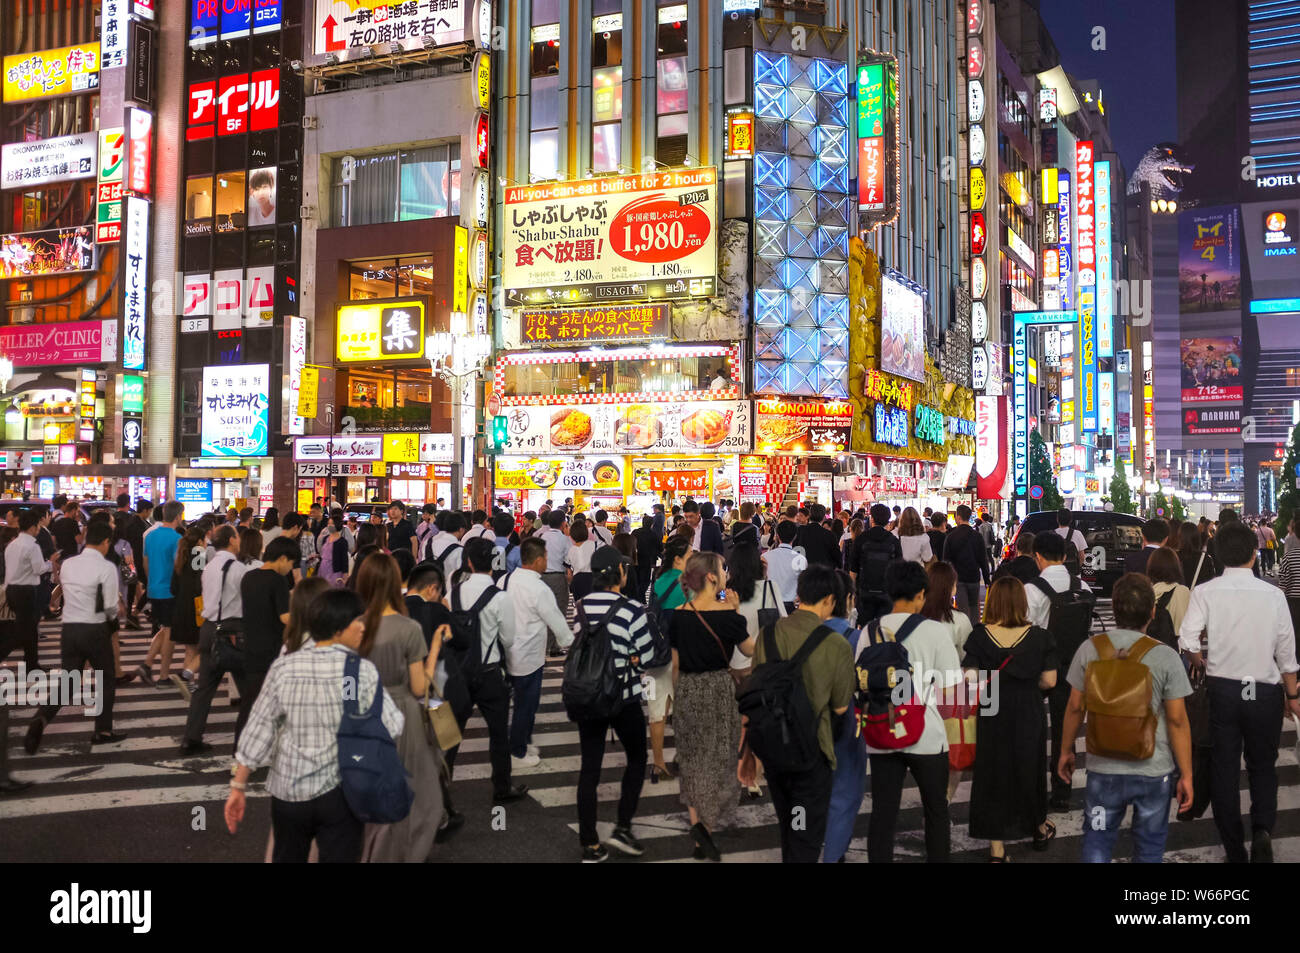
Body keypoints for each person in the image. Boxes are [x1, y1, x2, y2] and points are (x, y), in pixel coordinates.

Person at [225, 589, 405, 863]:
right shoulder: (359, 671)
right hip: (341, 793)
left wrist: (238, 785)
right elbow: (393, 725)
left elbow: (258, 729)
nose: (363, 628)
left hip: (289, 792)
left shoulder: (284, 667)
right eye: (358, 621)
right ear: (338, 628)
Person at [1178, 522, 1300, 863]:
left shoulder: (1206, 592)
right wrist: (1292, 697)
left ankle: (1234, 845)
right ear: (1253, 553)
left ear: (1218, 555)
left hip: (1224, 690)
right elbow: (1287, 655)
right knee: (1263, 765)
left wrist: (1198, 660)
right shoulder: (1274, 595)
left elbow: (1187, 639)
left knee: (1224, 767)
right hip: (1263, 691)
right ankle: (1262, 829)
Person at [1061, 573, 1194, 863]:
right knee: (1149, 848)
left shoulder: (1089, 650)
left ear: (1116, 609)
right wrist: (1186, 774)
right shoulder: (1165, 656)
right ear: (1153, 612)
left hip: (1102, 771)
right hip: (1153, 772)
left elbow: (1074, 707)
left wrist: (1065, 751)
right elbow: (1177, 721)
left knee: (1097, 840)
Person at [750, 565, 856, 863]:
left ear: (799, 595)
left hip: (774, 749)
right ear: (831, 601)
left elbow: (757, 690)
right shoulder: (836, 645)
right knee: (806, 835)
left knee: (789, 822)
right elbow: (840, 707)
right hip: (812, 752)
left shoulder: (768, 635)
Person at [863, 561, 962, 863]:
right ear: (921, 594)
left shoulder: (869, 631)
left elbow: (861, 683)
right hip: (927, 735)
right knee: (936, 811)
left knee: (883, 814)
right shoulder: (934, 630)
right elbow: (951, 687)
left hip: (882, 732)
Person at [353, 554, 446, 863]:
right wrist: (434, 648)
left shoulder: (355, 628)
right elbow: (420, 688)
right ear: (398, 583)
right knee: (420, 798)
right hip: (403, 715)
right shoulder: (408, 628)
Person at [963, 577, 1058, 861]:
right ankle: (1038, 828)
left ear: (992, 602)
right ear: (1022, 602)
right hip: (1028, 708)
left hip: (992, 710)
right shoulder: (1041, 637)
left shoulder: (979, 636)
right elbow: (1050, 681)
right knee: (1030, 767)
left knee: (992, 773)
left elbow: (969, 677)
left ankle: (996, 848)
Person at [668, 552, 754, 860]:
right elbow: (751, 651)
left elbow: (675, 666)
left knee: (692, 760)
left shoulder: (678, 614)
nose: (726, 573)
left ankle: (698, 832)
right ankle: (704, 830)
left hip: (689, 689)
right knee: (719, 758)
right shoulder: (728, 615)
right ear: (711, 577)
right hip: (719, 689)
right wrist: (735, 611)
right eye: (722, 569)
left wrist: (676, 701)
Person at [573, 545, 656, 862]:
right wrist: (631, 659)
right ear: (619, 573)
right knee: (636, 758)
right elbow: (645, 657)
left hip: (589, 697)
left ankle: (590, 842)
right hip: (624, 697)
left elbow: (578, 645)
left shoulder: (581, 606)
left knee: (589, 768)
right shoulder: (633, 609)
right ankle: (623, 826)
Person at [23, 521, 124, 752]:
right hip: (95, 629)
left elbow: (64, 589)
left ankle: (42, 717)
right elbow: (109, 606)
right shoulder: (106, 568)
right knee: (106, 678)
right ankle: (102, 730)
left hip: (69, 629)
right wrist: (116, 611)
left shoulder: (68, 564)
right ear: (107, 542)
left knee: (69, 681)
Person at [448, 537, 526, 802]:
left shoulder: (453, 592)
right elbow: (509, 639)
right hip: (489, 673)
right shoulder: (499, 596)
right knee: (498, 734)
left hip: (457, 674)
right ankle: (501, 788)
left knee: (451, 735)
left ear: (467, 562)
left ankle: (441, 789)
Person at [1025, 530, 1092, 811]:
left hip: (1039, 666)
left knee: (1033, 729)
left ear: (1037, 557)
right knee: (1067, 730)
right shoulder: (1083, 587)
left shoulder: (1031, 590)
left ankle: (1032, 789)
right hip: (1073, 666)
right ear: (1065, 556)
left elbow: (1024, 629)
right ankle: (1062, 792)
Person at [500, 537, 573, 767]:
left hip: (503, 653)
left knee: (511, 705)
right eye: (546, 558)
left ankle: (521, 741)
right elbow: (557, 622)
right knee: (526, 706)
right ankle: (518, 752)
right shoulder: (539, 588)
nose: (547, 562)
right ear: (539, 560)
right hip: (528, 657)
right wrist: (572, 644)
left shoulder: (504, 579)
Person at [180, 525, 251, 755]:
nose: (239, 541)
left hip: (209, 629)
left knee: (204, 689)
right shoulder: (239, 568)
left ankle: (191, 737)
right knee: (249, 690)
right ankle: (245, 745)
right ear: (231, 540)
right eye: (237, 537)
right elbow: (247, 598)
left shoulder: (209, 567)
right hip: (233, 631)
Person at [235, 536, 299, 747]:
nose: (290, 569)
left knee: (250, 703)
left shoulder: (249, 577)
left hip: (251, 646)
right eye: (290, 563)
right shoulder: (277, 580)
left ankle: (240, 750)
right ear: (282, 558)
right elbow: (285, 618)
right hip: (272, 650)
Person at [647, 534, 691, 781]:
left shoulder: (658, 579)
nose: (692, 558)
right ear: (678, 559)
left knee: (657, 711)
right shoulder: (688, 583)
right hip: (680, 654)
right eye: (689, 555)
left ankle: (658, 763)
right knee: (685, 709)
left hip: (655, 652)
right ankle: (684, 759)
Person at [728, 541, 788, 687]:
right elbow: (784, 621)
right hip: (760, 663)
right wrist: (764, 578)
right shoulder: (769, 587)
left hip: (730, 665)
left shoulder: (727, 592)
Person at [136, 501, 184, 687]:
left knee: (164, 628)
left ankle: (147, 665)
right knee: (170, 633)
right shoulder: (176, 539)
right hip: (169, 591)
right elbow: (178, 566)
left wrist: (151, 582)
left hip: (154, 588)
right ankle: (163, 676)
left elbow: (145, 563)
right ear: (178, 515)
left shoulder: (150, 536)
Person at [6, 509, 58, 672]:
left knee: (28, 630)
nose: (38, 530)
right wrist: (51, 562)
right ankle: (31, 664)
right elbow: (39, 569)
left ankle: (31, 663)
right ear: (33, 527)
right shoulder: (32, 546)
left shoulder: (12, 544)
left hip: (12, 590)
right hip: (26, 591)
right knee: (23, 631)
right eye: (37, 526)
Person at [943, 505, 989, 625]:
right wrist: (987, 579)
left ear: (958, 517)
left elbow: (946, 560)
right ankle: (974, 635)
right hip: (974, 578)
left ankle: (965, 636)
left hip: (959, 578)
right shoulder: (977, 536)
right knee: (974, 608)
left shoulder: (951, 536)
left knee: (963, 611)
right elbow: (983, 559)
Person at [922, 561, 973, 655]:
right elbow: (967, 657)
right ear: (952, 589)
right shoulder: (960, 620)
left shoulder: (917, 617)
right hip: (953, 669)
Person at [1146, 547, 1190, 649]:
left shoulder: (1146, 592)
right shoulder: (1182, 591)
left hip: (1150, 649)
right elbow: (1185, 627)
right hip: (1175, 649)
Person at [536, 508, 572, 621]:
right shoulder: (565, 540)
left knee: (543, 611)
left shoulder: (541, 536)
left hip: (541, 577)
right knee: (559, 611)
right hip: (559, 578)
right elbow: (569, 560)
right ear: (563, 523)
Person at [763, 520, 805, 615]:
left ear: (777, 535)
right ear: (795, 536)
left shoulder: (765, 557)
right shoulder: (801, 559)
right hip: (793, 607)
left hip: (770, 607)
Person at [795, 503, 841, 568]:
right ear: (823, 517)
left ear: (810, 515)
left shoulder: (800, 531)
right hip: (823, 572)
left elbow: (795, 550)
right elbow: (837, 557)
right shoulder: (829, 535)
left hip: (804, 571)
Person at [565, 519, 597, 603]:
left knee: (579, 606)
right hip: (592, 578)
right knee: (592, 604)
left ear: (572, 535)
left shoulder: (570, 550)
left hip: (577, 580)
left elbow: (569, 573)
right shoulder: (594, 545)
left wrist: (570, 584)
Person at [633, 515, 662, 595]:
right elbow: (660, 547)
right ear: (652, 524)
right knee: (645, 580)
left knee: (636, 578)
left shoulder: (635, 532)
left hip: (636, 558)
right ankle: (641, 596)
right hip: (647, 560)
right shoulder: (653, 535)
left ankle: (637, 595)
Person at [319, 514, 349, 587]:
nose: (329, 525)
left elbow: (344, 559)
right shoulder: (325, 538)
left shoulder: (342, 541)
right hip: (323, 568)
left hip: (335, 570)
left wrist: (345, 574)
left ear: (337, 525)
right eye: (328, 523)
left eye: (331, 524)